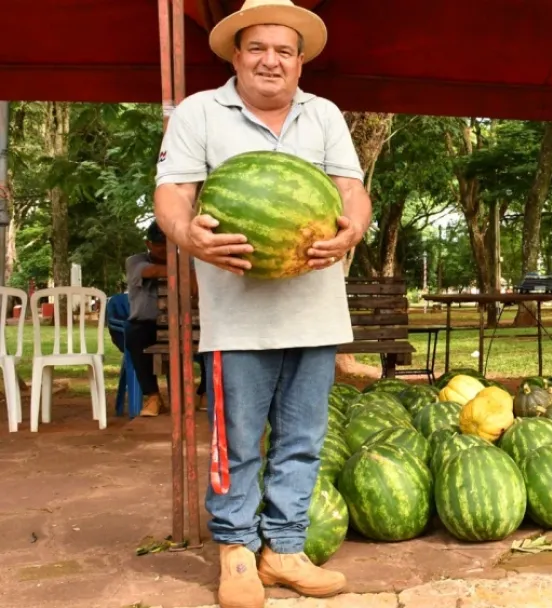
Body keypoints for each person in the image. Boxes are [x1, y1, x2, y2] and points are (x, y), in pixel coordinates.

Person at [152, 1, 372, 606]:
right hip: (236, 317)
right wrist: (186, 233)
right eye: (257, 48)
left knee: (303, 438)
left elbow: (353, 193)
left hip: (316, 309)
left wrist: (352, 229)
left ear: (299, 62)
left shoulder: (323, 115)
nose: (270, 61)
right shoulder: (200, 112)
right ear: (236, 55)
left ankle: (285, 549)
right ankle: (236, 552)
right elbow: (173, 193)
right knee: (238, 441)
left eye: (283, 50)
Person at [124, 220, 207, 416]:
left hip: (185, 324)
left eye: (170, 244)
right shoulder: (135, 260)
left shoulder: (189, 261)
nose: (165, 250)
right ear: (148, 244)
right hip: (148, 326)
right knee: (134, 333)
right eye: (160, 245)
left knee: (210, 333)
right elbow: (152, 271)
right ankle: (152, 396)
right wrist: (188, 272)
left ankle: (204, 392)